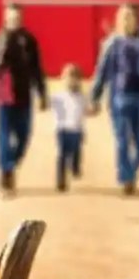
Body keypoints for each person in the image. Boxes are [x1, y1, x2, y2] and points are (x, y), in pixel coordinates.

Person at [89, 4, 139, 195]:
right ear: (118, 20)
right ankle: (127, 178)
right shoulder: (112, 43)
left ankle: (132, 170)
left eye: (130, 16)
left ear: (136, 19)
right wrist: (95, 97)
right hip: (119, 97)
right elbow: (102, 71)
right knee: (122, 139)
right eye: (123, 16)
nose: (127, 20)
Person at [0, 4, 48, 192]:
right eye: (10, 18)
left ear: (21, 18)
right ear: (5, 18)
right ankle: (6, 172)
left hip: (24, 94)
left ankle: (11, 161)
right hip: (2, 94)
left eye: (17, 18)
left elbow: (37, 69)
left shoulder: (29, 40)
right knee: (3, 134)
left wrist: (42, 94)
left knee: (24, 136)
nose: (13, 21)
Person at [51, 63, 88, 192]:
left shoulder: (82, 97)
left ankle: (75, 166)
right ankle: (61, 181)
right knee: (62, 154)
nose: (72, 81)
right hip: (62, 129)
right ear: (63, 79)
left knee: (76, 151)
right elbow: (53, 109)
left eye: (75, 78)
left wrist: (93, 109)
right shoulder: (58, 97)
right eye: (69, 78)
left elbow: (87, 110)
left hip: (77, 129)